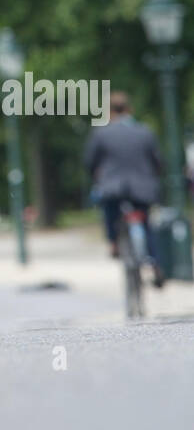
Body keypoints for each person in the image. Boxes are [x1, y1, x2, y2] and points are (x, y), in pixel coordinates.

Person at [84, 91, 165, 287]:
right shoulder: (144, 131)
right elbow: (158, 162)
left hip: (113, 187)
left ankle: (113, 242)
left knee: (110, 211)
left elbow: (89, 162)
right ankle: (155, 264)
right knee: (146, 224)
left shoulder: (101, 133)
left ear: (109, 112)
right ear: (130, 109)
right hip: (142, 188)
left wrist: (96, 175)